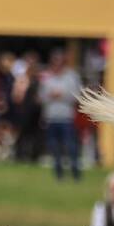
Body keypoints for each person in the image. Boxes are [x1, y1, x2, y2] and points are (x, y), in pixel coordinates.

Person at [40, 48, 82, 181]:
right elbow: (41, 96)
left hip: (66, 118)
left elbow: (77, 96)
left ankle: (75, 173)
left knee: (70, 146)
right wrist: (50, 95)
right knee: (54, 148)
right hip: (51, 118)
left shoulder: (71, 77)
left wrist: (62, 95)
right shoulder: (47, 77)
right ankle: (59, 174)